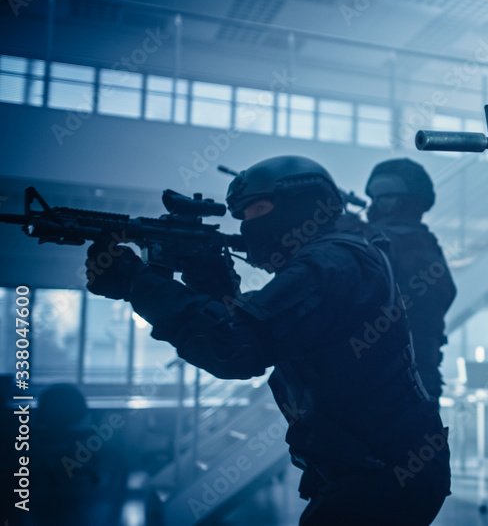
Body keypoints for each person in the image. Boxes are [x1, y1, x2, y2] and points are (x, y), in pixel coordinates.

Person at [83, 156, 450, 525]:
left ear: (300, 207)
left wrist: (137, 282)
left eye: (258, 209)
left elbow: (234, 348)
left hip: (384, 471)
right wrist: (209, 279)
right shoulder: (332, 258)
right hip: (370, 467)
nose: (247, 225)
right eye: (241, 215)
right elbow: (260, 327)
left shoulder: (330, 264)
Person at [365, 158, 457, 406]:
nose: (376, 203)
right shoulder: (377, 239)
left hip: (407, 371)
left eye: (386, 196)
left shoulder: (411, 242)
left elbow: (429, 298)